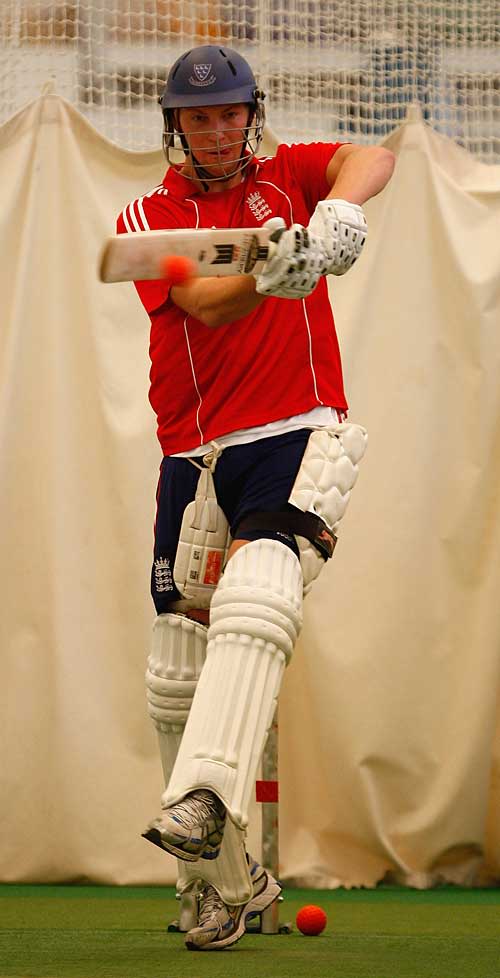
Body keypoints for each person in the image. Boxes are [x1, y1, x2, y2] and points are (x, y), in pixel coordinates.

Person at [117, 44, 395, 951]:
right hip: (191, 453)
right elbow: (202, 303)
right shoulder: (148, 216)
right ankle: (222, 885)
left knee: (258, 594)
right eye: (198, 116)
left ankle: (205, 798)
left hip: (293, 430)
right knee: (172, 670)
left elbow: (370, 155)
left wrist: (342, 209)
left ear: (251, 113)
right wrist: (270, 277)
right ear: (175, 125)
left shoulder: (288, 175)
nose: (216, 128)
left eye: (230, 112)